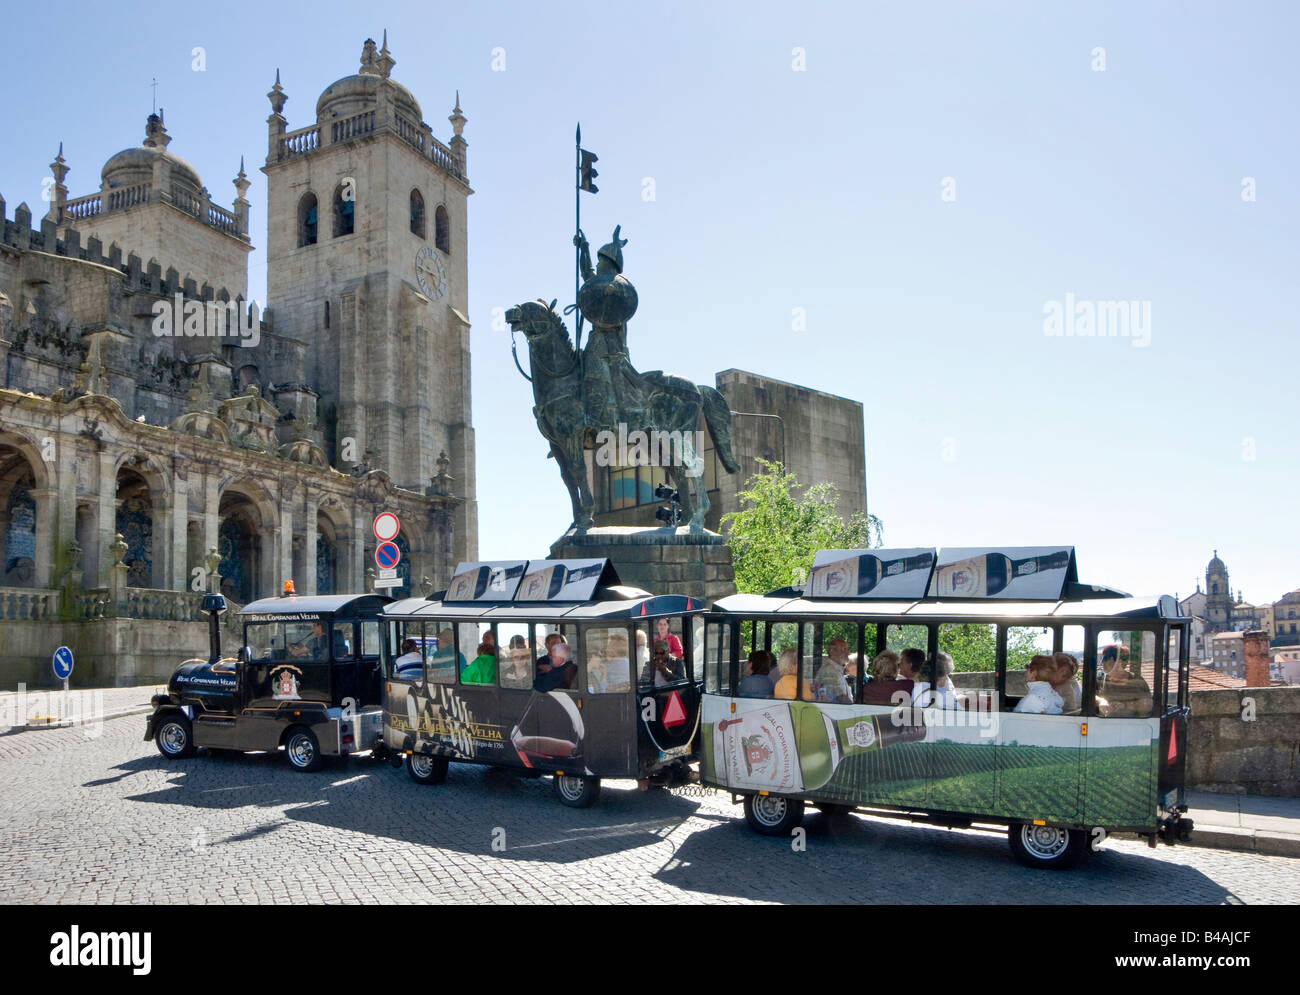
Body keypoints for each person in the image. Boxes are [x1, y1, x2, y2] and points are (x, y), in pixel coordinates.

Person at [1097, 644, 1152, 717]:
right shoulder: (1100, 679)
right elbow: (1089, 696)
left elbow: (1148, 704)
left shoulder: (1137, 681)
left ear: (1112, 661)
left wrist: (1126, 705)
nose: (1102, 662)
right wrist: (1101, 701)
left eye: (1104, 659)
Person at [814, 637, 853, 703]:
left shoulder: (835, 669)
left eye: (848, 649)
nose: (847, 652)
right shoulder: (829, 670)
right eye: (843, 649)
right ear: (832, 652)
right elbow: (841, 697)